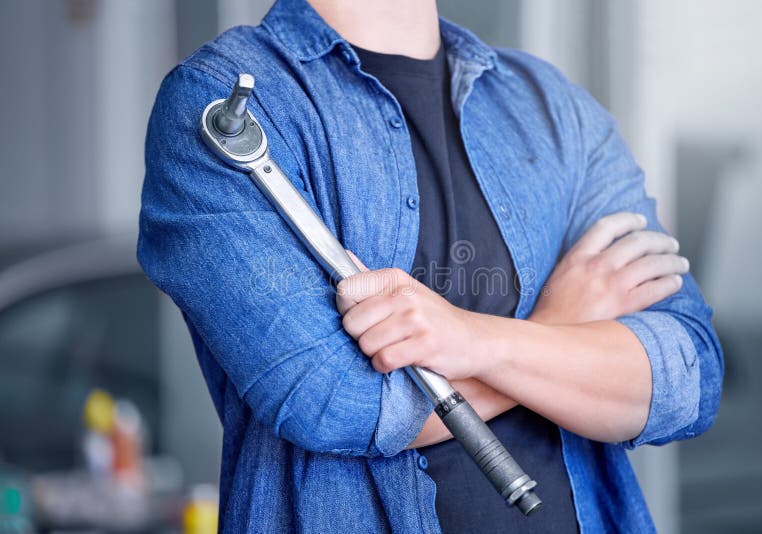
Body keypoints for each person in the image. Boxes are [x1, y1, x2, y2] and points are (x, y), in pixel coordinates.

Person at [137, 0, 723, 531]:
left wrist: (479, 341)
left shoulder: (550, 107)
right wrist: (559, 332)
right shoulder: (221, 104)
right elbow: (332, 401)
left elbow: (685, 376)